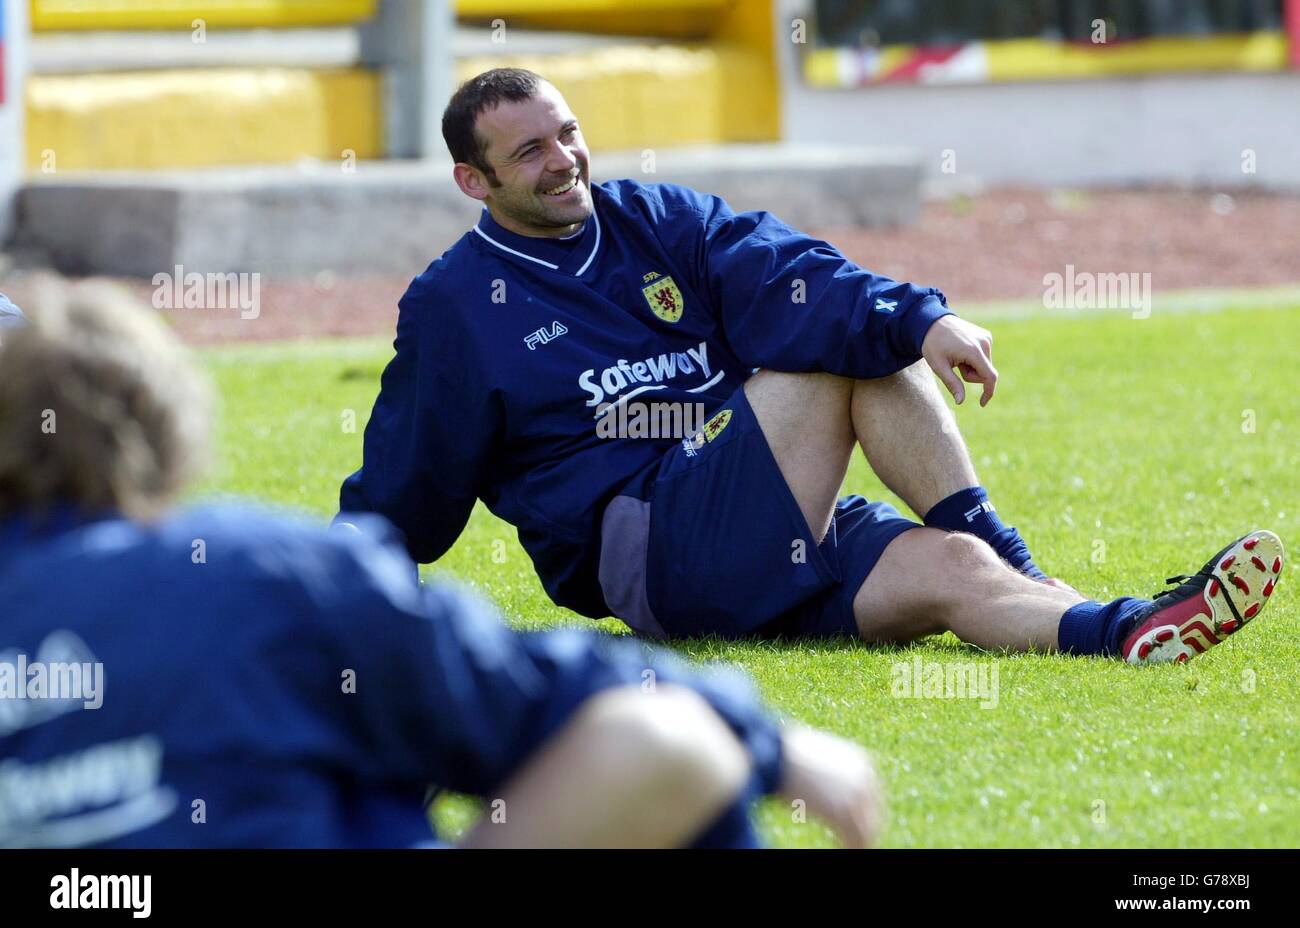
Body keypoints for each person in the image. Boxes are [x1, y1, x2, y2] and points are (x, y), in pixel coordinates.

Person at [338, 68, 1283, 665]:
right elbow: (409, 481)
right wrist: (355, 607)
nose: (565, 159)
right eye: (531, 150)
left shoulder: (654, 219)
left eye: (569, 132)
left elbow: (786, 269)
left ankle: (1119, 628)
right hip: (656, 551)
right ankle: (1035, 572)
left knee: (951, 566)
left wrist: (924, 319)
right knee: (828, 355)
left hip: (763, 508)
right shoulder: (456, 304)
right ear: (476, 181)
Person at [0, 279, 884, 849]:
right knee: (671, 738)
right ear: (168, 426)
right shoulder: (260, 571)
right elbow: (543, 690)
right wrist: (762, 736)